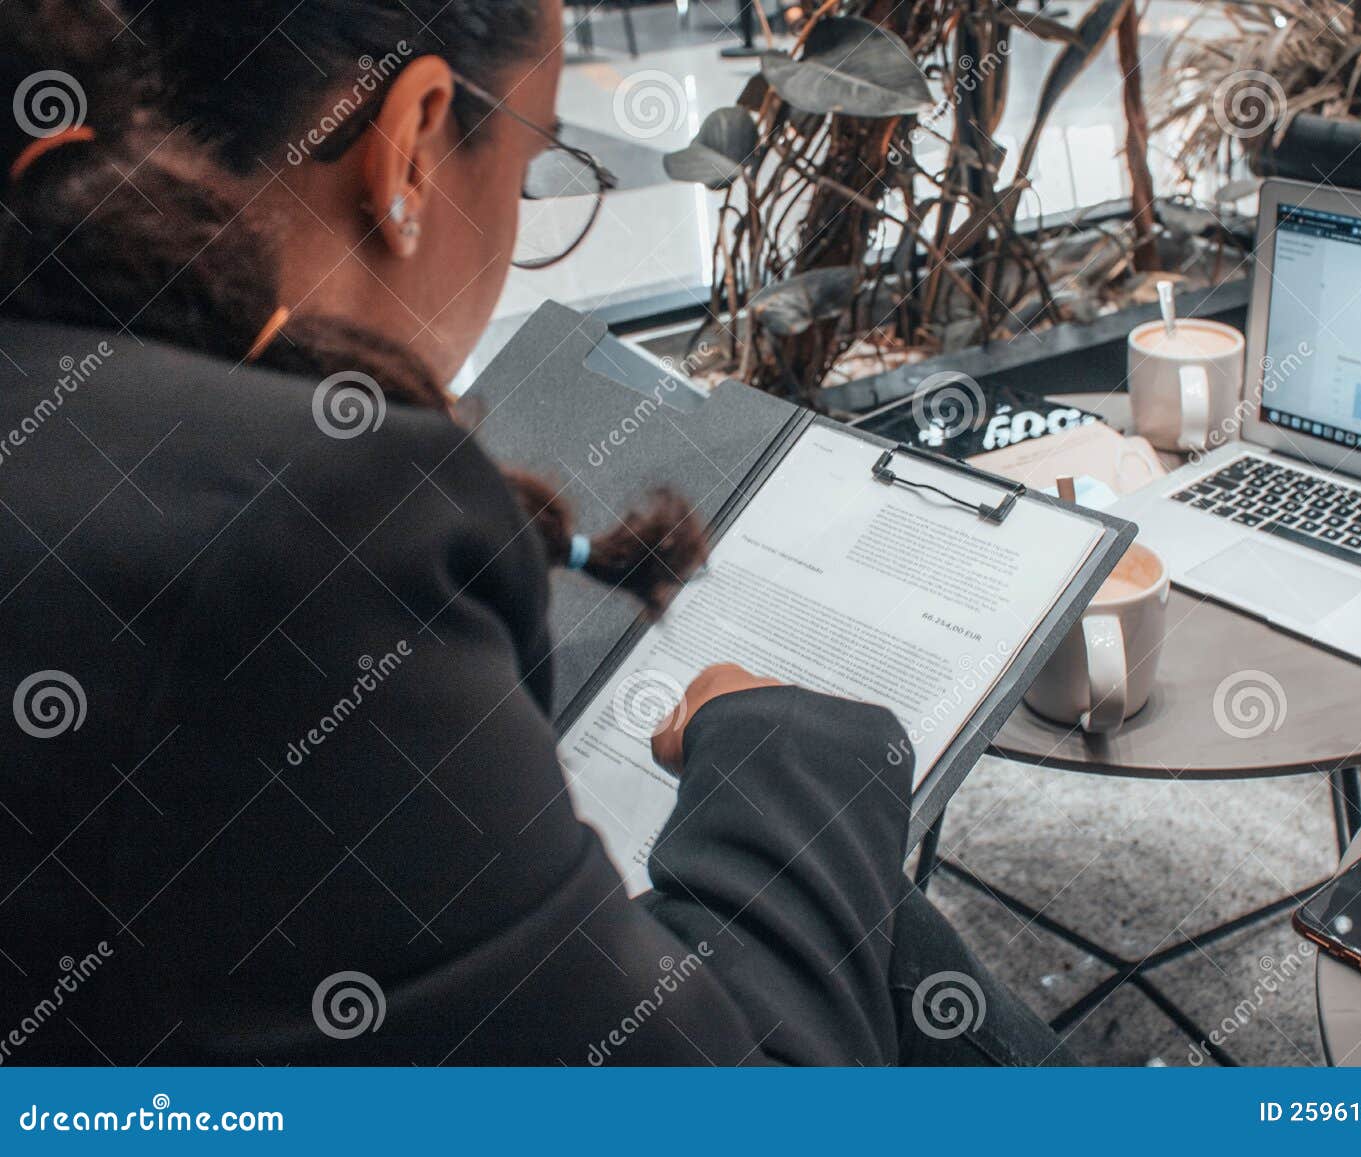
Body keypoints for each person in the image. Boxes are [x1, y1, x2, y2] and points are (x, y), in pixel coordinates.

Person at [0, 0, 1069, 1065]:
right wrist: (789, 751)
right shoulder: (310, 527)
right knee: (871, 918)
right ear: (410, 143)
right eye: (523, 174)